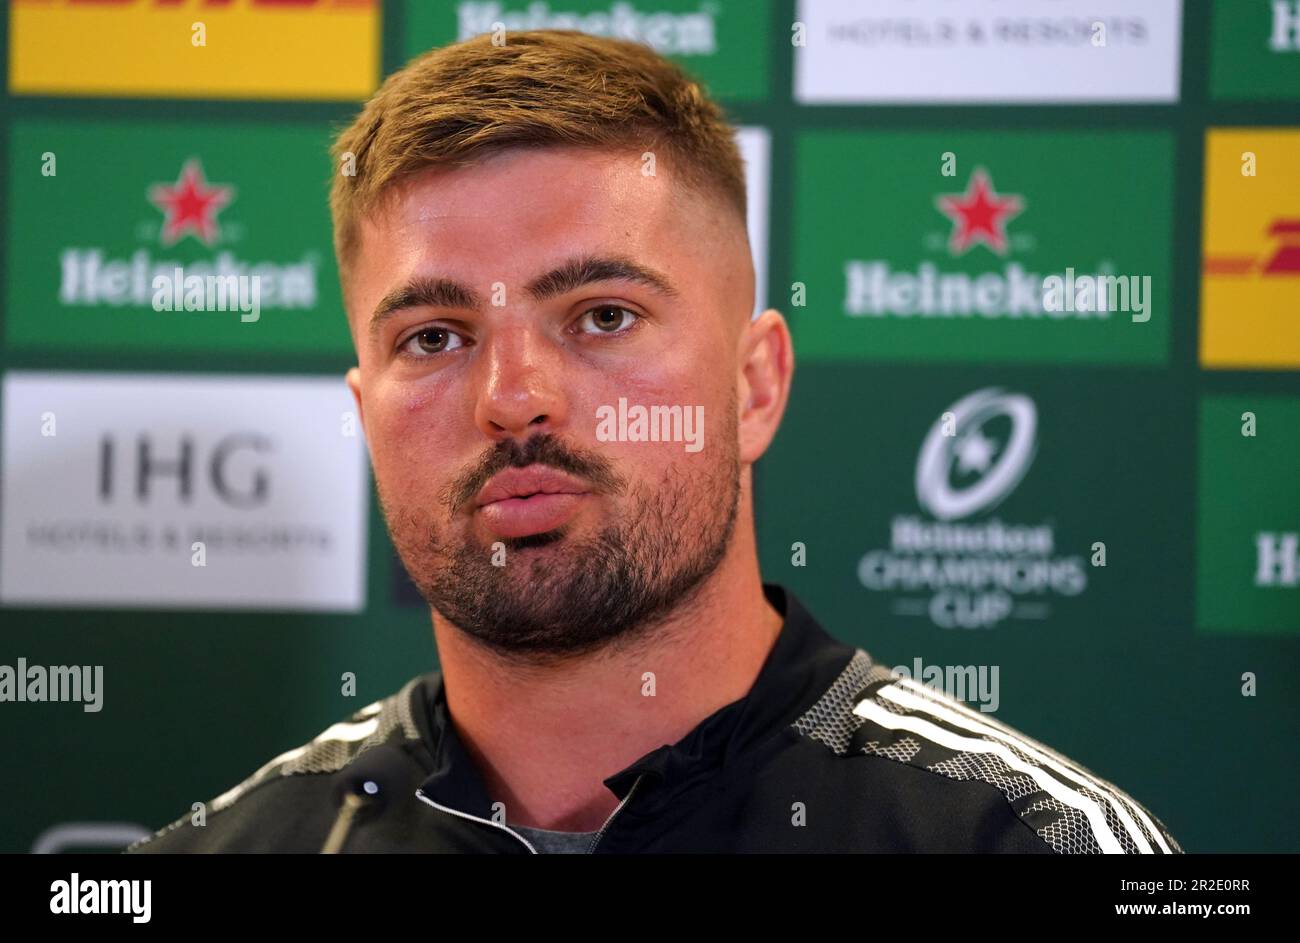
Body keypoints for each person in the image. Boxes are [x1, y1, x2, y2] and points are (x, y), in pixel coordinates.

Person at [129, 29, 1181, 854]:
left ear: (753, 384)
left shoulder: (1038, 844)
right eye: (436, 336)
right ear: (365, 417)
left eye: (601, 315)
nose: (513, 398)